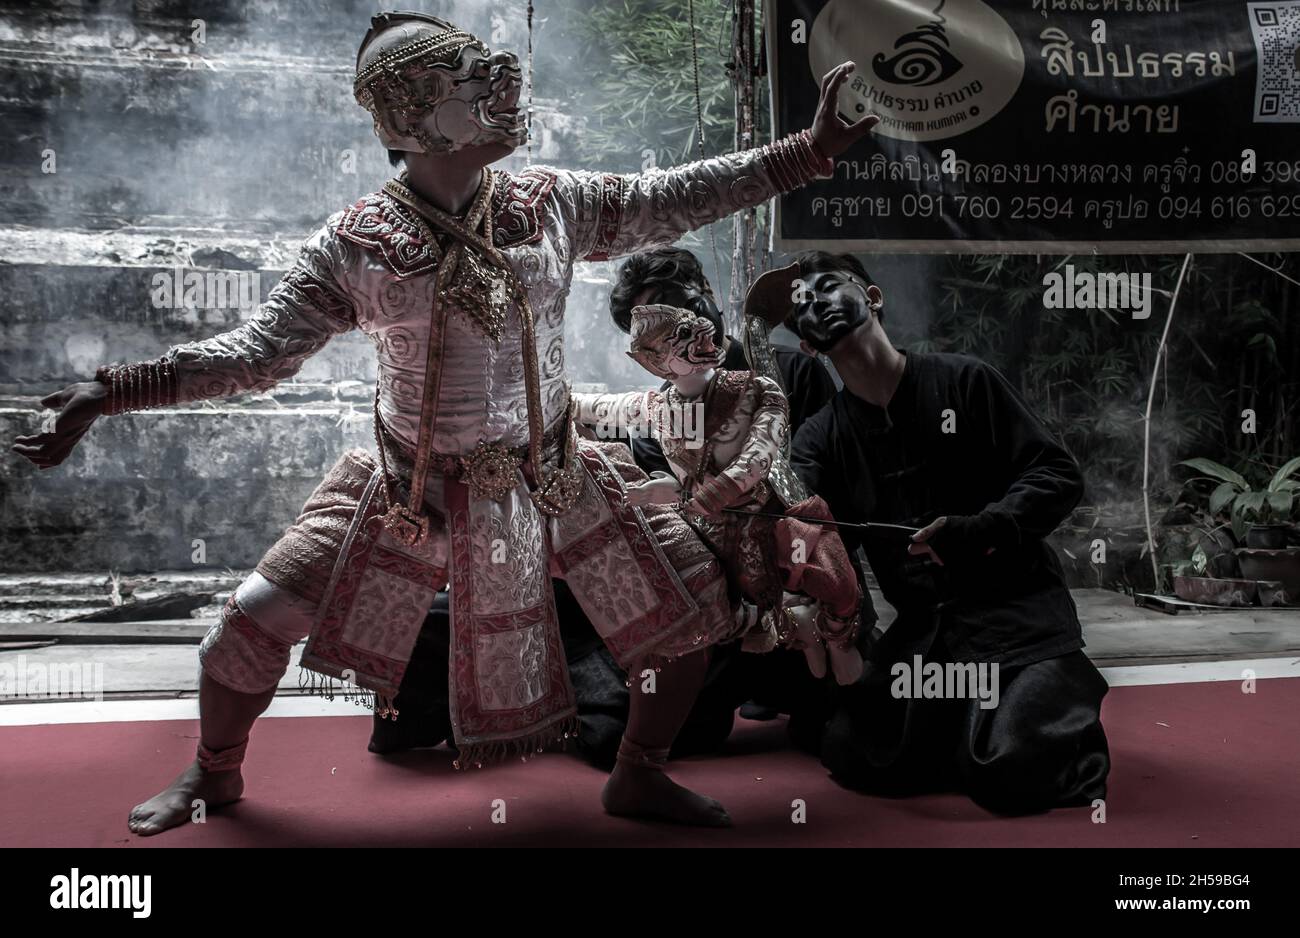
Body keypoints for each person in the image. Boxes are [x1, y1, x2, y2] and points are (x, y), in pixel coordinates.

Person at [12, 12, 877, 833]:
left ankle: (639, 770)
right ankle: (217, 767)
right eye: (474, 80)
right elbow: (257, 355)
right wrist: (108, 393)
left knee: (689, 611)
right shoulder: (356, 245)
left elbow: (676, 195)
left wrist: (812, 151)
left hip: (555, 473)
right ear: (413, 113)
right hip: (412, 488)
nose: (505, 90)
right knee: (249, 623)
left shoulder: (553, 202)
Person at [780, 251, 1111, 814]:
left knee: (1006, 767)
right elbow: (807, 523)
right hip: (927, 632)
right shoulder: (820, 436)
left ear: (873, 297)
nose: (816, 301)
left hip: (1018, 617)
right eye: (802, 302)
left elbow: (1056, 474)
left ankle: (1047, 701)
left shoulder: (966, 380)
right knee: (850, 749)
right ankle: (959, 723)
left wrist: (980, 529)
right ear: (808, 345)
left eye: (829, 285)